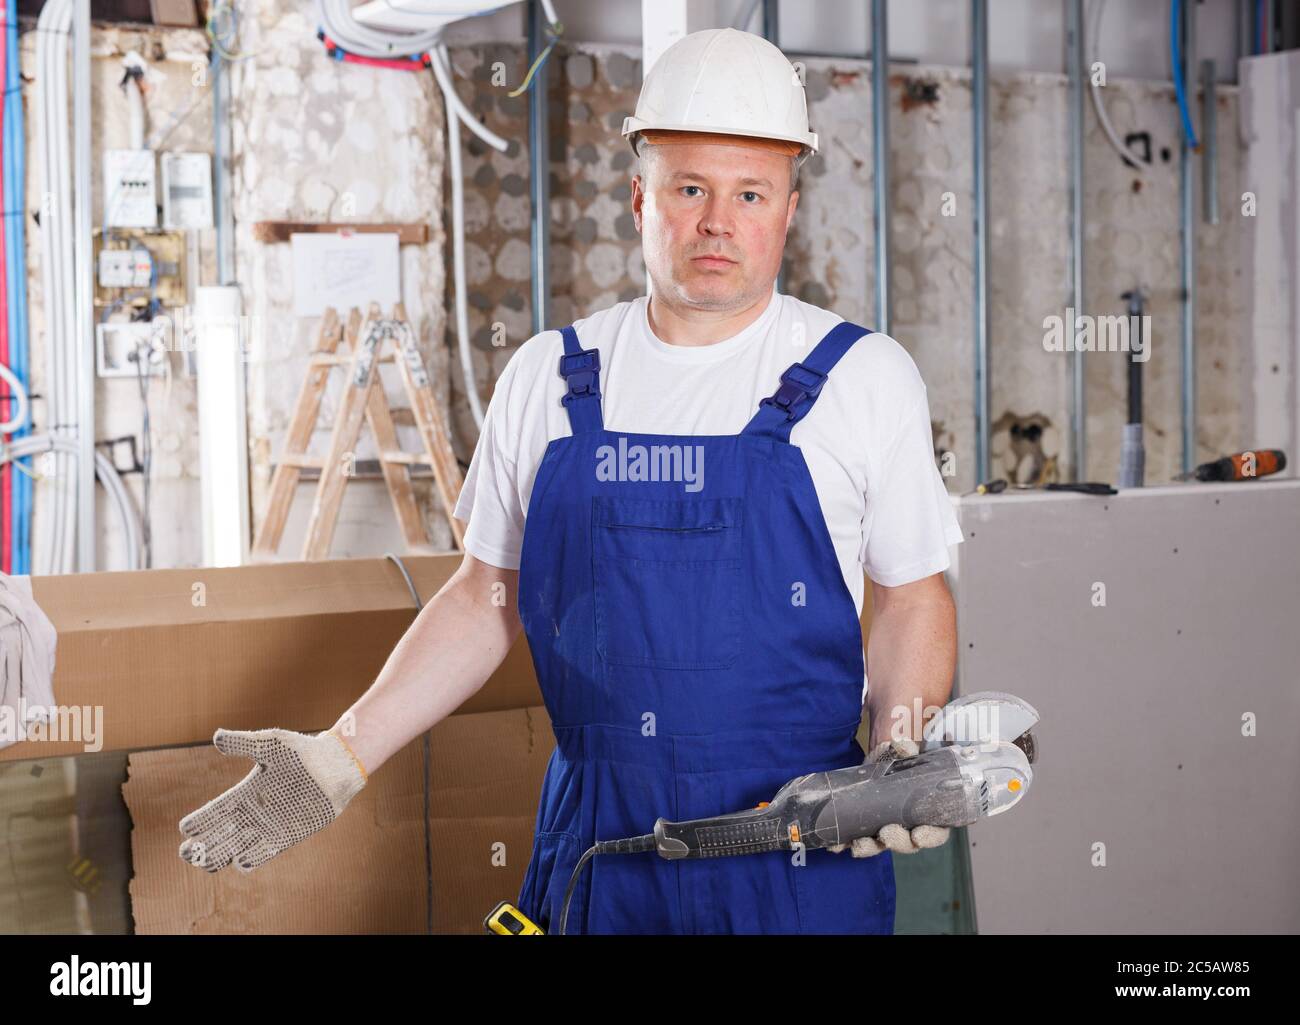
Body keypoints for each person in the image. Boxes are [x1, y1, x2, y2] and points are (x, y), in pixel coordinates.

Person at [177, 27, 963, 935]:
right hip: (599, 854)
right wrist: (341, 754)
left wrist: (902, 751)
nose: (719, 220)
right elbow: (484, 598)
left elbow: (908, 595)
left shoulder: (864, 376)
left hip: (796, 852)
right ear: (640, 197)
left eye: (751, 192)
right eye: (690, 188)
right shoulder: (551, 377)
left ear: (788, 204)